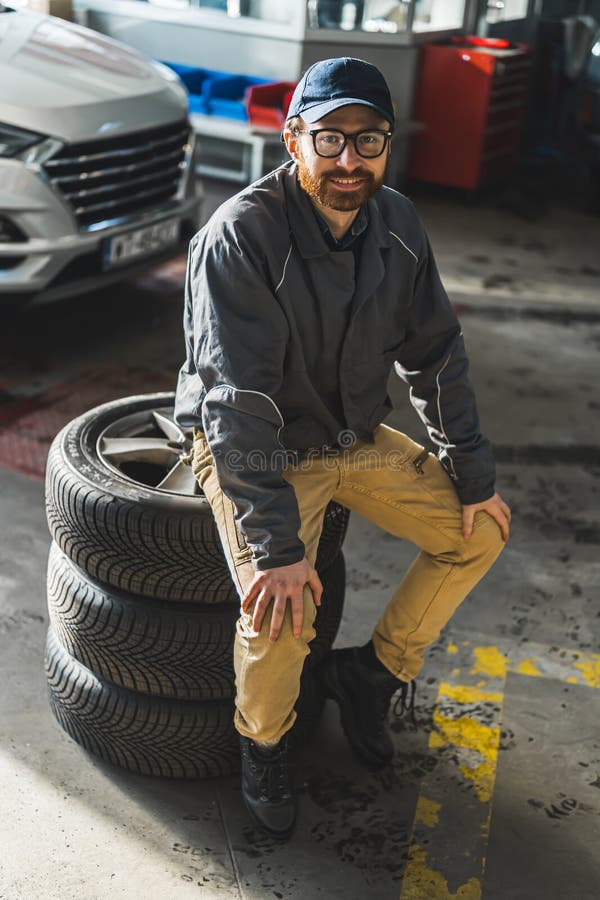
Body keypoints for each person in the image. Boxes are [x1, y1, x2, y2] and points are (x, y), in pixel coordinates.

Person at [174, 56, 511, 840]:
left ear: (388, 147)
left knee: (481, 531)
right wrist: (274, 545)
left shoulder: (397, 224)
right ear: (293, 139)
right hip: (253, 449)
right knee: (283, 602)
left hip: (349, 437)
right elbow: (237, 404)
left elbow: (437, 352)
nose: (349, 160)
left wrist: (472, 473)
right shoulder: (242, 237)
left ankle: (368, 676)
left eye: (369, 140)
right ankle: (265, 743)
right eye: (329, 138)